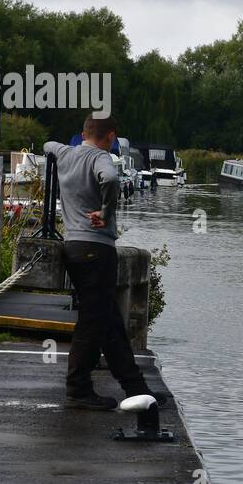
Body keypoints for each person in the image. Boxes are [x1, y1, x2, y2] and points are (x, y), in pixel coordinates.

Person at [44, 116, 166, 411]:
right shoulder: (101, 157)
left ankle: (136, 388)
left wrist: (55, 149)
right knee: (93, 322)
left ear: (83, 133)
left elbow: (48, 145)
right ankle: (78, 389)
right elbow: (111, 179)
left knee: (109, 319)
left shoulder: (64, 153)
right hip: (96, 250)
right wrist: (105, 210)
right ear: (110, 136)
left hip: (72, 246)